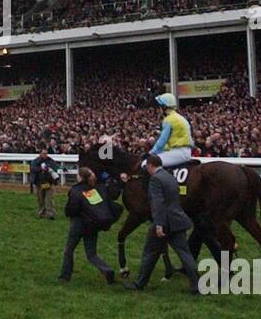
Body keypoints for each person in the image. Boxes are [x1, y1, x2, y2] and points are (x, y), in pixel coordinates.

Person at [124, 155, 201, 295]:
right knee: (185, 254)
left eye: (147, 166)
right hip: (178, 220)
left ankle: (140, 283)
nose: (147, 169)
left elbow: (157, 203)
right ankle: (196, 285)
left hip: (164, 222)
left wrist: (159, 224)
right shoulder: (169, 176)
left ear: (151, 165)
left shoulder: (155, 179)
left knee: (149, 252)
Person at [58, 166, 117, 284]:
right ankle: (107, 270)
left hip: (78, 223)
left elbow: (71, 209)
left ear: (80, 177)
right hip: (92, 224)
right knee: (91, 253)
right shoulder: (96, 189)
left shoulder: (76, 190)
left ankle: (65, 276)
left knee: (69, 250)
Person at [149, 92, 193, 169]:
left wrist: (151, 153)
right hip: (185, 152)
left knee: (147, 163)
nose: (158, 110)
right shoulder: (181, 118)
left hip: (177, 153)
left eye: (159, 107)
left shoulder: (169, 120)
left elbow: (161, 142)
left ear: (164, 107)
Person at [28, 149, 59, 219]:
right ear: (40, 154)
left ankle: (50, 214)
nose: (45, 155)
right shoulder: (35, 161)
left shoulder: (50, 161)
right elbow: (33, 169)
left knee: (49, 199)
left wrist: (49, 169)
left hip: (49, 182)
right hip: (39, 183)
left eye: (46, 153)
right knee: (40, 198)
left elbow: (55, 168)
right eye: (43, 153)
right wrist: (41, 169)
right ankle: (41, 212)